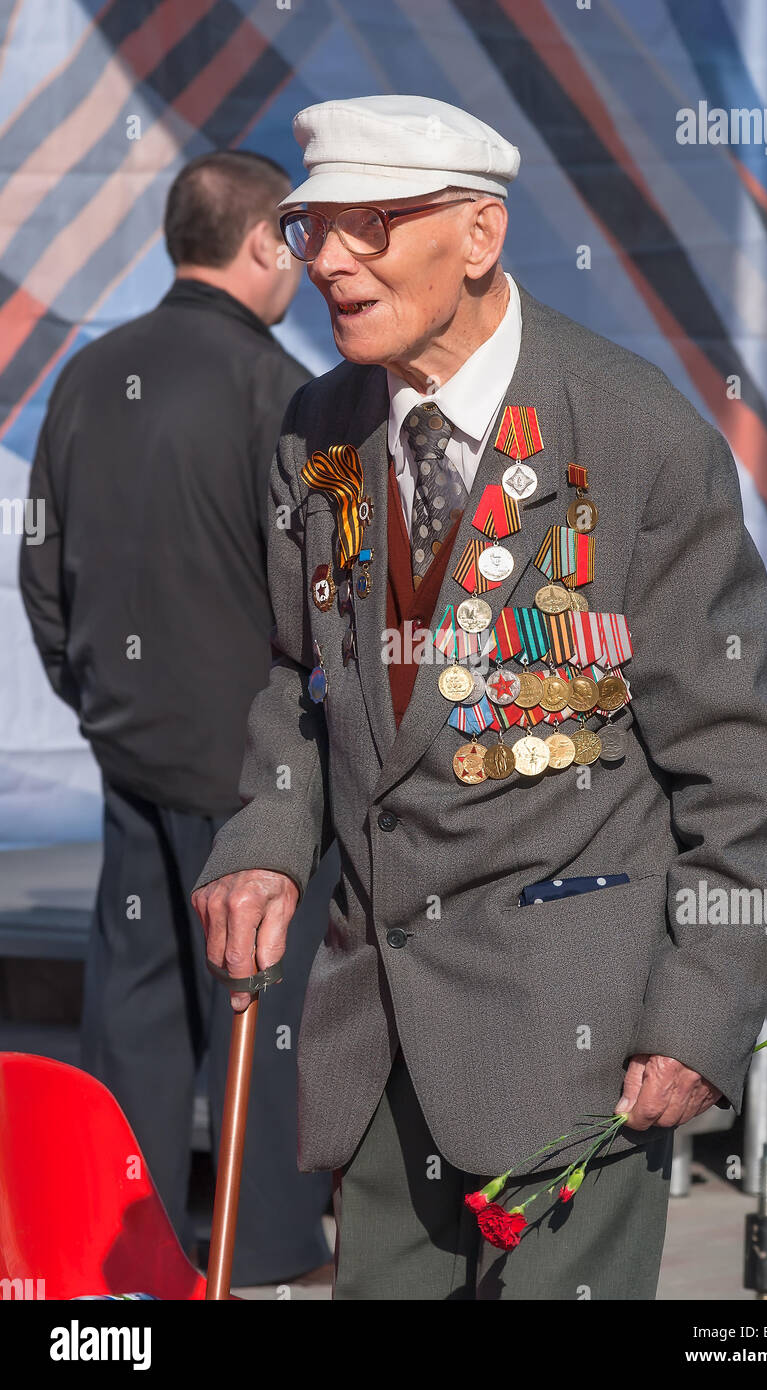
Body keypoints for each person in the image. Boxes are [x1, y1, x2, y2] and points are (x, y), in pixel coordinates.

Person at [191, 97, 767, 1300]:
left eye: (372, 223)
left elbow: (738, 766)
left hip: (573, 1052)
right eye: (315, 228)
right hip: (375, 1049)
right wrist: (264, 839)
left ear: (481, 235)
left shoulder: (637, 438)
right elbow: (295, 678)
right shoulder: (316, 433)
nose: (331, 259)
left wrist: (698, 1017)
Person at [19, 150, 334, 1286]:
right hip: (258, 779)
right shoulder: (287, 392)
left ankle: (129, 1264)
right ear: (259, 244)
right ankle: (265, 1255)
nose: (305, 264)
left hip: (133, 754)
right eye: (292, 241)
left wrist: (101, 705)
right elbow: (324, 600)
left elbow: (41, 570)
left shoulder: (93, 373)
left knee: (138, 1017)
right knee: (264, 1014)